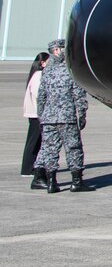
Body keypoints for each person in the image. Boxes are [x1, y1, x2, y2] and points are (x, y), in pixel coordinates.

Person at [32, 38, 93, 192]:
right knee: (73, 148)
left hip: (48, 118)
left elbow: (41, 97)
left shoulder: (47, 72)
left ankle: (52, 182)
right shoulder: (71, 71)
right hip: (67, 118)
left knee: (50, 150)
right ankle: (76, 182)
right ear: (58, 50)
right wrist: (82, 115)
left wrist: (41, 116)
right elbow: (79, 95)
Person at [20, 51, 47, 177]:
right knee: (34, 142)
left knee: (36, 141)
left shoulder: (36, 74)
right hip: (37, 114)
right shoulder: (39, 75)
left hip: (36, 113)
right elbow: (38, 95)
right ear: (42, 63)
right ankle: (27, 169)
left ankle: (31, 167)